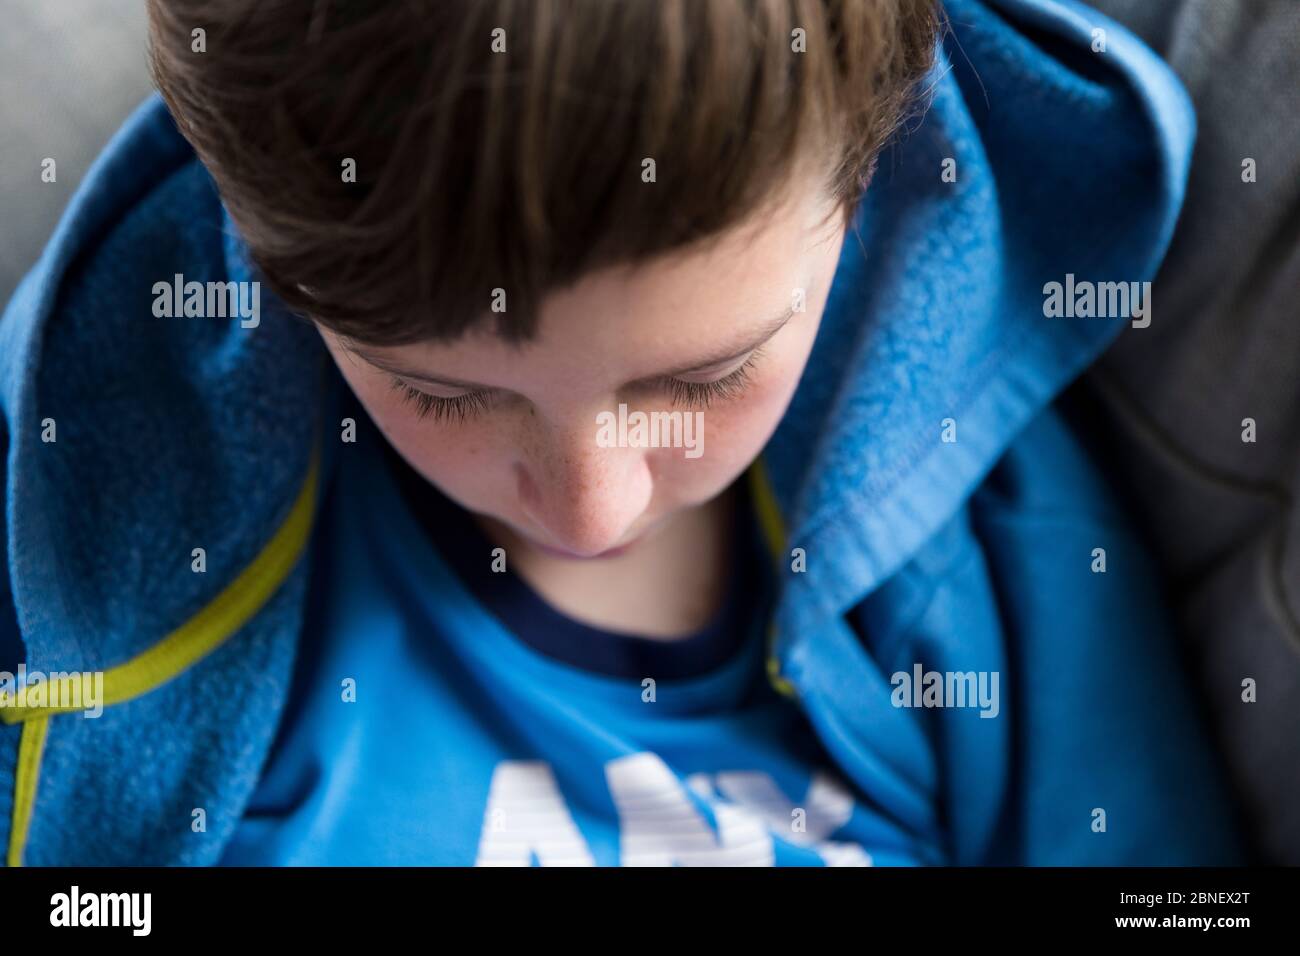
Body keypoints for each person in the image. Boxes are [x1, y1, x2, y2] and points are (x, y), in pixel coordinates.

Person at [0, 0, 1245, 865]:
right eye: (446, 394)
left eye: (704, 378)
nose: (587, 507)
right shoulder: (88, 560)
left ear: (874, 171)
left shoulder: (999, 561)